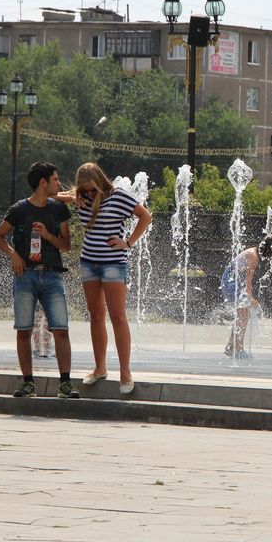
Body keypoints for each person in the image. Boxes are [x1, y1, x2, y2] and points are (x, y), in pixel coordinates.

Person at [0, 162, 78, 399]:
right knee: (23, 330)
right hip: (25, 275)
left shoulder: (58, 209)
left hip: (52, 274)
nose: (59, 184)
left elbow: (67, 245)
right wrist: (14, 255)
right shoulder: (19, 209)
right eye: (56, 179)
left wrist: (48, 235)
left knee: (61, 329)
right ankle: (28, 382)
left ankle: (66, 384)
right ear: (43, 182)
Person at [66, 162, 152, 395]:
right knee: (96, 316)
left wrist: (129, 243)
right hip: (88, 262)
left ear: (100, 182)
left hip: (113, 262)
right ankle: (100, 367)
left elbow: (145, 216)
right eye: (84, 190)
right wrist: (74, 197)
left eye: (92, 189)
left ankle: (125, 371)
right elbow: (53, 195)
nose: (89, 194)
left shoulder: (119, 196)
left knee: (118, 316)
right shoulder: (81, 197)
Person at [221, 234, 272, 359]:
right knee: (244, 314)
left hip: (231, 280)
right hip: (231, 282)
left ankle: (230, 346)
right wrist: (250, 299)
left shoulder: (253, 253)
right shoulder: (254, 257)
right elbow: (247, 280)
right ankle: (238, 348)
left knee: (242, 314)